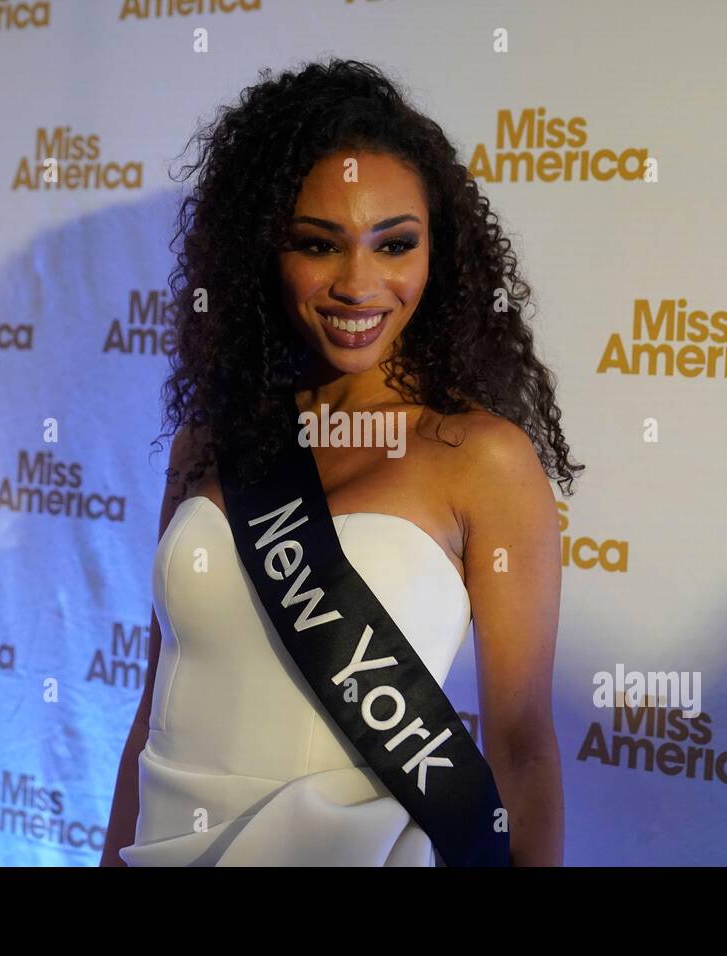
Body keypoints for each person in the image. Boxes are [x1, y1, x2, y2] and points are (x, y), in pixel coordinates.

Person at [101, 58, 579, 867]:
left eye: (394, 244)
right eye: (318, 244)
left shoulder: (482, 459)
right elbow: (154, 707)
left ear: (442, 251)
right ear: (263, 254)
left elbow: (523, 748)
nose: (360, 285)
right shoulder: (211, 442)